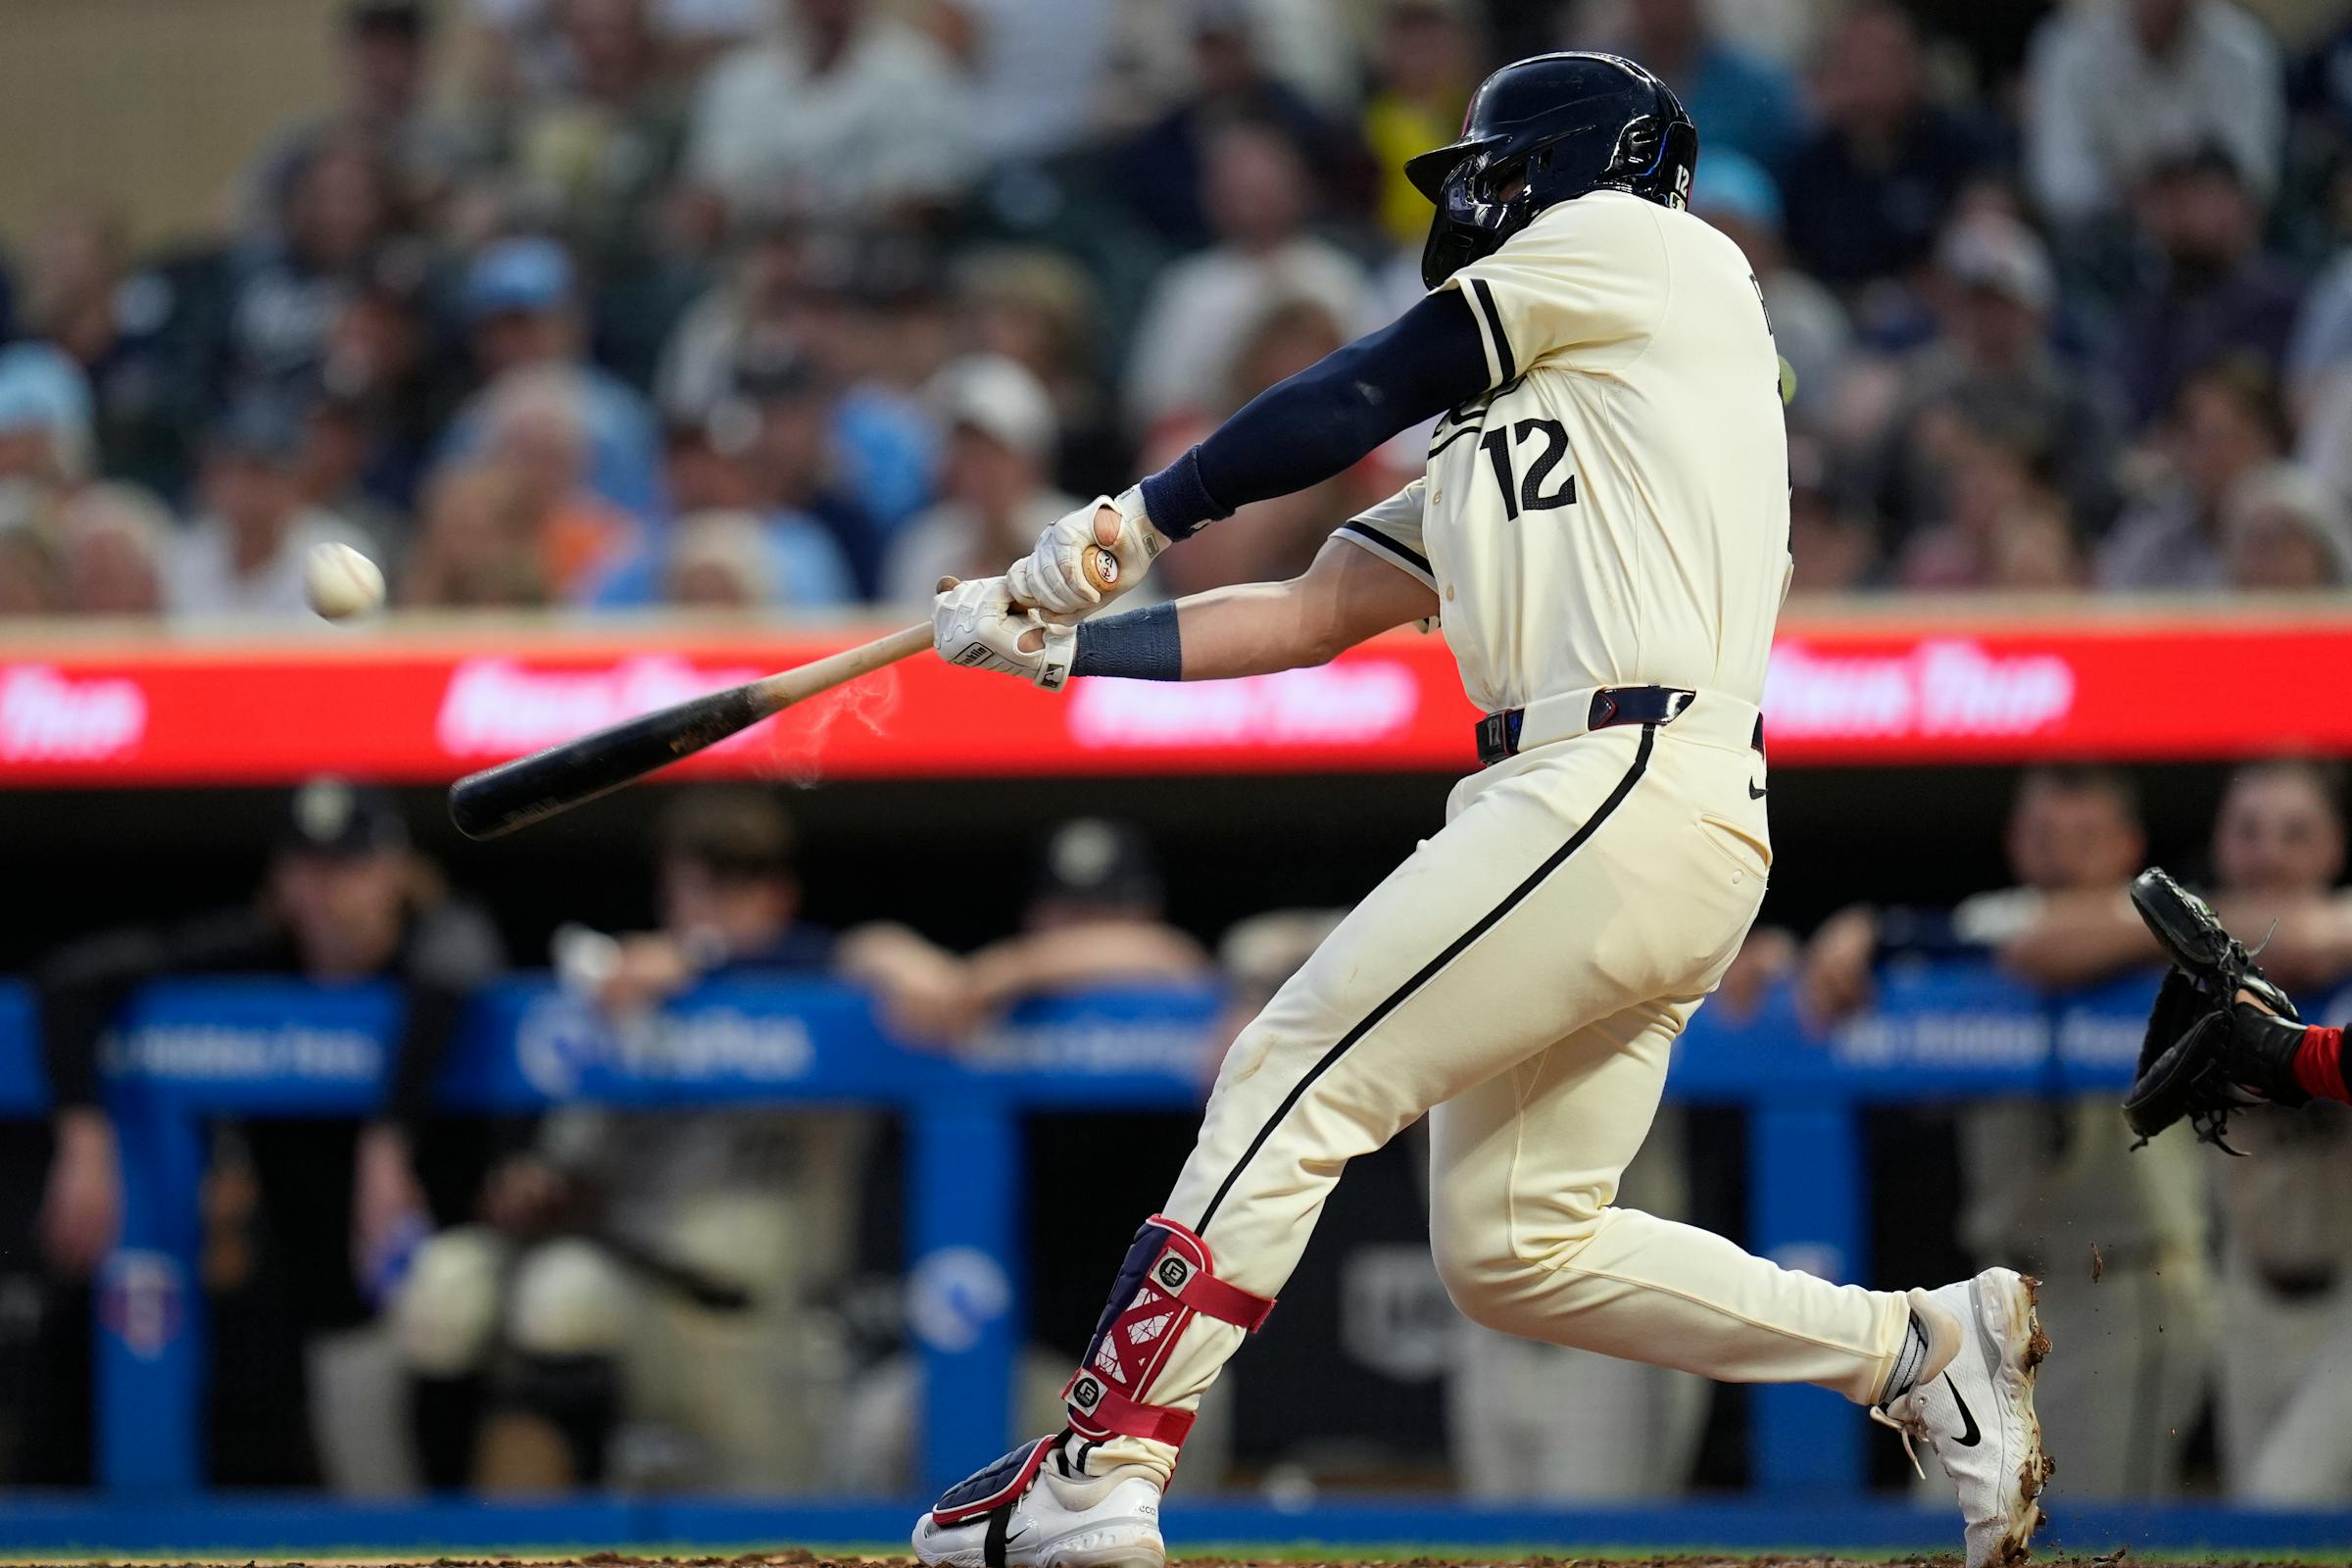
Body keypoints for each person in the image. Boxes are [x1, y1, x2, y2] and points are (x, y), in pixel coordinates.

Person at [915, 53, 2048, 1568]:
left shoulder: (1650, 250)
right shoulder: (1549, 405)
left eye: (1500, 169)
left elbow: (1362, 382)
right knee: (1517, 1249)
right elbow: (1313, 610)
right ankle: (1917, 1352)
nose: (1479, 201)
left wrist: (1138, 514)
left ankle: (1100, 1466)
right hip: (1621, 803)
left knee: (1288, 1069)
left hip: (1618, 768)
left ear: (1585, 163)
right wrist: (1061, 646)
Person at [392, 787, 959, 1492]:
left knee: (776, 1525)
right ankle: (468, 1533)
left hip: (766, 1336)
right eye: (690, 891)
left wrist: (710, 959)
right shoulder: (633, 1000)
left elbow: (887, 964)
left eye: (730, 888)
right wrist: (539, 1191)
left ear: (778, 896)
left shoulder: (828, 987)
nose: (702, 914)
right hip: (636, 1306)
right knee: (509, 1288)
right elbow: (568, 1165)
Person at [32, 780, 507, 1492]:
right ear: (280, 880)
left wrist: (387, 1144)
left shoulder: (441, 940)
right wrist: (85, 1139)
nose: (329, 891)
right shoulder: (258, 950)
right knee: (362, 1493)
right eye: (308, 868)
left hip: (440, 1278)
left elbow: (458, 964)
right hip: (326, 1305)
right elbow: (72, 978)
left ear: (395, 871)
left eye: (351, 866)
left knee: (454, 1308)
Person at [1803, 767, 2213, 1498]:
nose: (2062, 853)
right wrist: (1860, 929)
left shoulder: (2173, 924)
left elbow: (2053, 945)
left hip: (2127, 1283)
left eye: (2086, 836)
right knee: (1944, 1519)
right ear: (2015, 841)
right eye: (2044, 833)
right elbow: (1891, 948)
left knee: (2099, 1526)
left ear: (2129, 843)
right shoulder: (1990, 919)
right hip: (1997, 1293)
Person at [2099, 764, 2352, 1499]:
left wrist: (2237, 975)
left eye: (2295, 833)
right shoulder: (2183, 954)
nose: (2268, 851)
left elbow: (2311, 939)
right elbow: (2045, 940)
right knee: (2259, 1515)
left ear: (2335, 846)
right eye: (2248, 831)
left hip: (2347, 1291)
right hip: (2245, 1288)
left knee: (2285, 1498)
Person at [1777, 3, 1993, 293]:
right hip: (1837, 306)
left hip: (1940, 303)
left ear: (1913, 64)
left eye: (1881, 61)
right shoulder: (1809, 164)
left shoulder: (1958, 147)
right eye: (1855, 63)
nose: (1867, 79)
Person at [2026, 0, 2283, 232]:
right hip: (2103, 235)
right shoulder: (2071, 46)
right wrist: (2141, 203)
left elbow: (2254, 174)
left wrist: (2196, 205)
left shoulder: (2242, 47)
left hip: (2217, 239)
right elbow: (2060, 184)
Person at [168, 398, 373, 620]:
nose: (237, 487)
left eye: (256, 470)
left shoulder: (342, 557)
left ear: (292, 477)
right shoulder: (182, 556)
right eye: (225, 470)